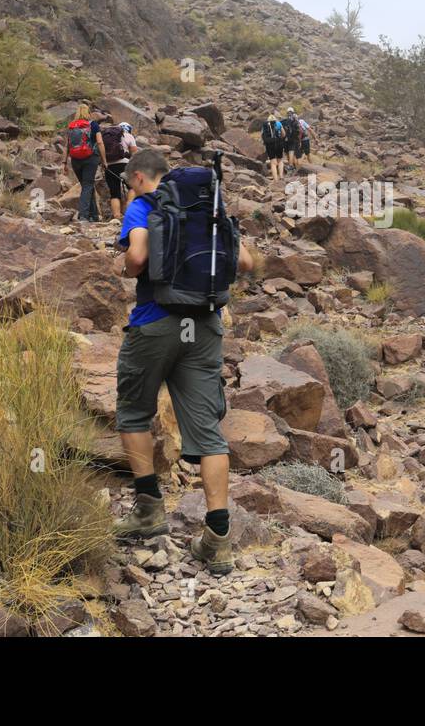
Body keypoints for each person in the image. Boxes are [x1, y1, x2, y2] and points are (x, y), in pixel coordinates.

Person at [112, 148, 254, 575]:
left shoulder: (143, 207)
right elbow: (245, 262)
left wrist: (128, 263)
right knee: (208, 433)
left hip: (156, 322)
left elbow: (136, 259)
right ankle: (218, 539)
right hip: (205, 327)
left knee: (134, 413)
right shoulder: (209, 210)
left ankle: (150, 510)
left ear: (139, 177)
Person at [64, 103, 104, 223]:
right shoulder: (93, 125)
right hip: (90, 159)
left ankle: (94, 216)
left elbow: (67, 145)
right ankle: (83, 216)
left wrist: (64, 162)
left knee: (87, 185)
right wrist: (104, 160)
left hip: (75, 160)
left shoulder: (71, 126)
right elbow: (100, 143)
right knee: (87, 186)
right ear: (88, 112)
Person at [100, 119, 139, 221]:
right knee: (132, 187)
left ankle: (116, 217)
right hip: (124, 165)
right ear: (128, 129)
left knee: (114, 192)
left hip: (109, 166)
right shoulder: (129, 136)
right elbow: (135, 153)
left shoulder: (108, 137)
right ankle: (129, 209)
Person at [260, 112, 285, 181]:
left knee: (273, 163)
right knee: (280, 161)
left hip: (270, 145)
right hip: (279, 143)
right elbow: (283, 134)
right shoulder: (278, 123)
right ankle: (281, 176)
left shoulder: (265, 126)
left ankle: (276, 180)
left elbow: (262, 136)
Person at [282, 107, 301, 174]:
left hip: (285, 139)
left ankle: (291, 166)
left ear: (287, 113)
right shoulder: (295, 120)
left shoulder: (284, 121)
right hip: (293, 139)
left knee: (287, 152)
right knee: (291, 152)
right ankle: (291, 166)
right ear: (293, 112)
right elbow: (298, 131)